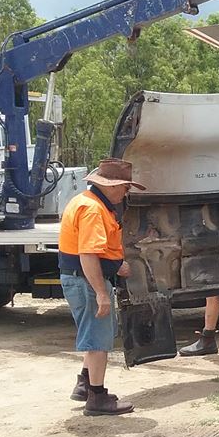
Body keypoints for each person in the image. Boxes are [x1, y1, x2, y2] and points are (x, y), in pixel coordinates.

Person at [60, 158, 146, 415]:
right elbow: (88, 254)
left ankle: (85, 384)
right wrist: (101, 293)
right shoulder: (94, 210)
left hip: (79, 277)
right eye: (125, 187)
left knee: (93, 332)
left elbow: (92, 250)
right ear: (110, 186)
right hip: (85, 281)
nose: (126, 192)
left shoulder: (87, 203)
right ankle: (97, 398)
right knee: (98, 339)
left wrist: (115, 264)